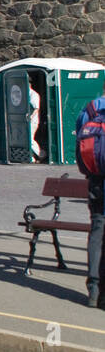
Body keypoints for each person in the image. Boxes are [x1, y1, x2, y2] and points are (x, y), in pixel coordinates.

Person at [75, 83, 105, 308]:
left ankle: (94, 291)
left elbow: (79, 141)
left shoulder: (90, 109)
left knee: (97, 230)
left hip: (96, 182)